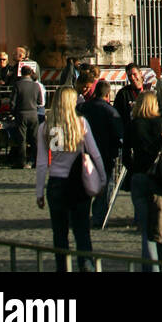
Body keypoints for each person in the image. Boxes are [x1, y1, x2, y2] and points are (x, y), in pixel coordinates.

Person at [35, 85, 105, 273]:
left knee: (60, 234)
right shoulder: (81, 123)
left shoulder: (45, 126)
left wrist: (39, 191)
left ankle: (63, 268)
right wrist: (103, 178)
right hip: (78, 182)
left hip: (56, 182)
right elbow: (95, 153)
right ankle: (86, 266)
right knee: (82, 231)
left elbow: (42, 163)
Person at [127, 89, 162, 271]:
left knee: (146, 229)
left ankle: (151, 269)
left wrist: (134, 167)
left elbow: (125, 155)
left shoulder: (133, 125)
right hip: (161, 178)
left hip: (140, 176)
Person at [81, 81, 124, 228]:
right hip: (106, 154)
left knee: (85, 185)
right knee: (104, 187)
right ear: (108, 95)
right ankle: (99, 218)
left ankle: (82, 216)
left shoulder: (82, 108)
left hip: (84, 154)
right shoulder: (110, 111)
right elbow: (119, 135)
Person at [11, 65, 42, 168]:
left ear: (21, 72)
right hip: (33, 114)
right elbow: (40, 101)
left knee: (22, 139)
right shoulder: (36, 86)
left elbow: (12, 102)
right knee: (34, 138)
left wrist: (13, 112)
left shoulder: (17, 85)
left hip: (21, 113)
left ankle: (22, 161)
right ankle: (37, 160)